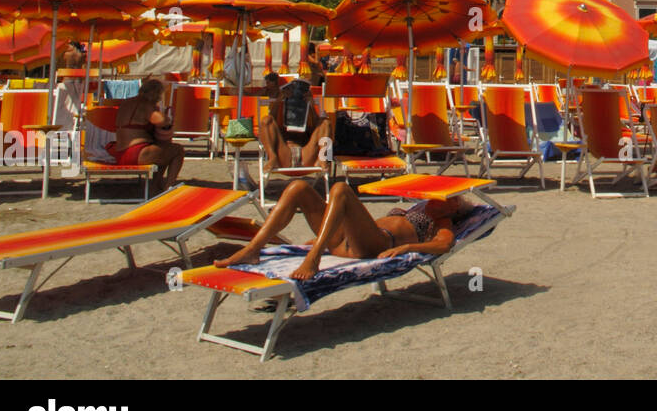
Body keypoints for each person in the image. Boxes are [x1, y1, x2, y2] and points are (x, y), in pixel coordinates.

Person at [215, 180, 463, 281]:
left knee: (341, 189)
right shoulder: (417, 208)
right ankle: (252, 249)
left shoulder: (441, 223)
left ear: (453, 207)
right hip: (345, 241)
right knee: (298, 187)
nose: (438, 197)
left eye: (449, 198)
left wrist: (408, 247)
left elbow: (444, 245)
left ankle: (314, 259)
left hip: (374, 246)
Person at [111, 78, 184, 190]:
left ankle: (156, 185)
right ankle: (168, 187)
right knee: (178, 150)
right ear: (156, 93)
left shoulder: (127, 102)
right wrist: (167, 117)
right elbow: (161, 120)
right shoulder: (146, 104)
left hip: (120, 153)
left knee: (164, 149)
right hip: (136, 153)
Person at [257, 71, 329, 171]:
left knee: (325, 122)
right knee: (266, 120)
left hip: (306, 153)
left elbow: (318, 127)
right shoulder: (280, 104)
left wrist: (311, 105)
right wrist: (279, 99)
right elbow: (269, 121)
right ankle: (272, 158)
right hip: (284, 153)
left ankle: (324, 159)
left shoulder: (307, 107)